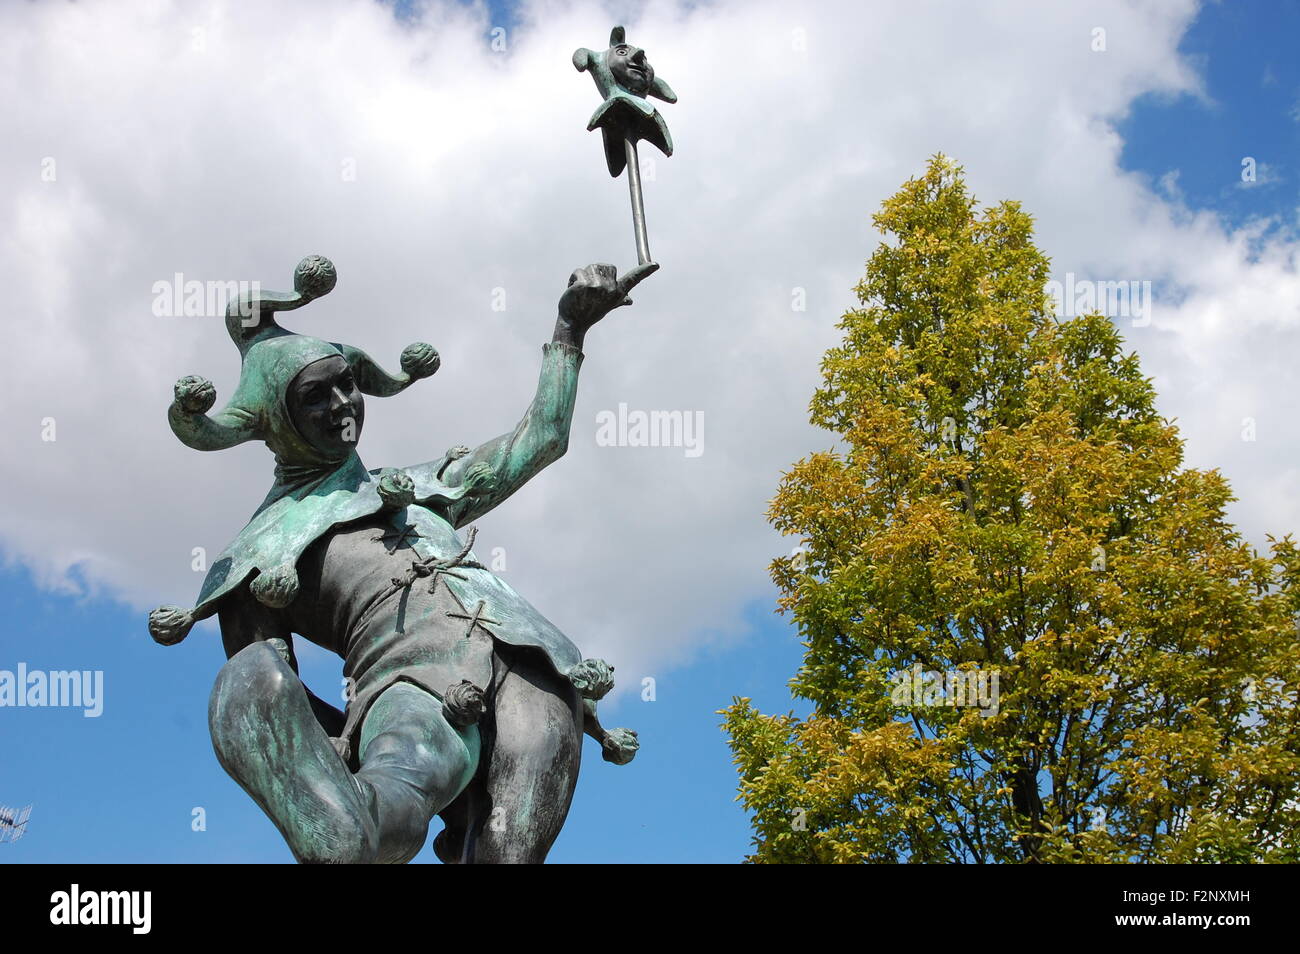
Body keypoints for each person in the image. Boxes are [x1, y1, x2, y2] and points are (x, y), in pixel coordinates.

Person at [150, 256, 651, 863]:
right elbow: (280, 692)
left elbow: (542, 440)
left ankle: (354, 820)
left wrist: (570, 330)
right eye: (315, 397)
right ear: (276, 420)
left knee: (509, 854)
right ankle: (344, 820)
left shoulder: (424, 487)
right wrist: (335, 751)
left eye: (348, 384)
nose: (342, 404)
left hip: (532, 662)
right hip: (411, 679)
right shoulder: (258, 556)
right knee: (406, 780)